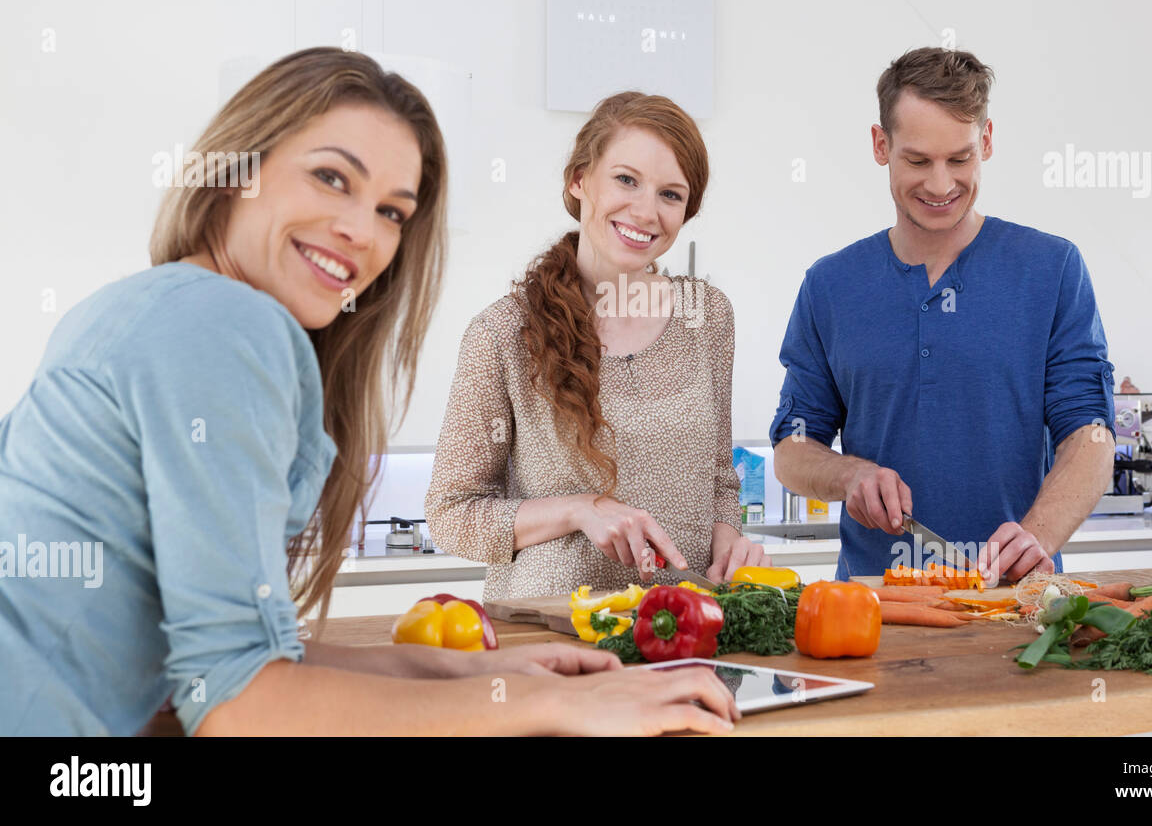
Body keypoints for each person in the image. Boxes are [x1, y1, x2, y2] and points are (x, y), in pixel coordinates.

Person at [0, 50, 738, 736]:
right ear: (239, 166)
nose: (360, 230)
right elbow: (239, 706)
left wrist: (473, 670)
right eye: (331, 177)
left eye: (392, 211)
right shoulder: (225, 327)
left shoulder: (153, 305)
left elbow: (235, 662)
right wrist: (554, 702)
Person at [770, 47, 1116, 584]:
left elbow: (1090, 435)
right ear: (881, 146)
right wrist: (848, 474)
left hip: (1015, 603)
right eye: (917, 160)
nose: (940, 184)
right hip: (872, 607)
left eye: (959, 159)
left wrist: (1037, 535)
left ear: (987, 141)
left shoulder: (1051, 269)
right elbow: (793, 447)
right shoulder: (831, 285)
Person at [425, 91, 769, 601]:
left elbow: (718, 480)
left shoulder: (708, 317)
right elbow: (452, 514)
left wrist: (729, 537)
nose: (646, 211)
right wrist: (578, 508)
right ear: (579, 180)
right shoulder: (503, 334)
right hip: (551, 639)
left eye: (671, 195)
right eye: (626, 180)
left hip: (684, 631)